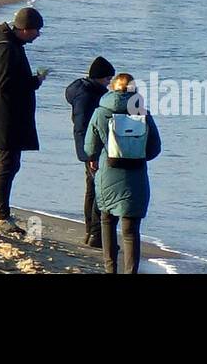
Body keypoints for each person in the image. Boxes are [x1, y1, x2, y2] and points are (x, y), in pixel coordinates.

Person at [83, 73, 163, 274]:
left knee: (107, 221)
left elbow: (89, 147)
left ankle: (110, 269)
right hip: (135, 176)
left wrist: (95, 157)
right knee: (131, 230)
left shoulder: (101, 112)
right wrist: (136, 154)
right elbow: (154, 148)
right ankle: (130, 272)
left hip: (109, 173)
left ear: (112, 89)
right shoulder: (143, 113)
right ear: (134, 90)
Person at [0, 7, 47, 235]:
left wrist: (31, 81)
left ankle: (3, 213)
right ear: (25, 29)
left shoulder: (11, 45)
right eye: (36, 31)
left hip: (9, 117)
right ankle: (1, 217)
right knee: (7, 167)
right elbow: (5, 84)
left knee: (10, 166)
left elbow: (9, 81)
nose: (38, 35)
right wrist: (33, 82)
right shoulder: (7, 48)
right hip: (6, 118)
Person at [66, 56, 116, 248]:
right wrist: (91, 156)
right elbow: (82, 127)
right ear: (98, 78)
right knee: (98, 191)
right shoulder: (87, 95)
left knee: (92, 190)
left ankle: (92, 232)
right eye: (107, 79)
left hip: (90, 148)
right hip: (92, 150)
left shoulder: (87, 91)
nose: (109, 83)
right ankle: (95, 233)